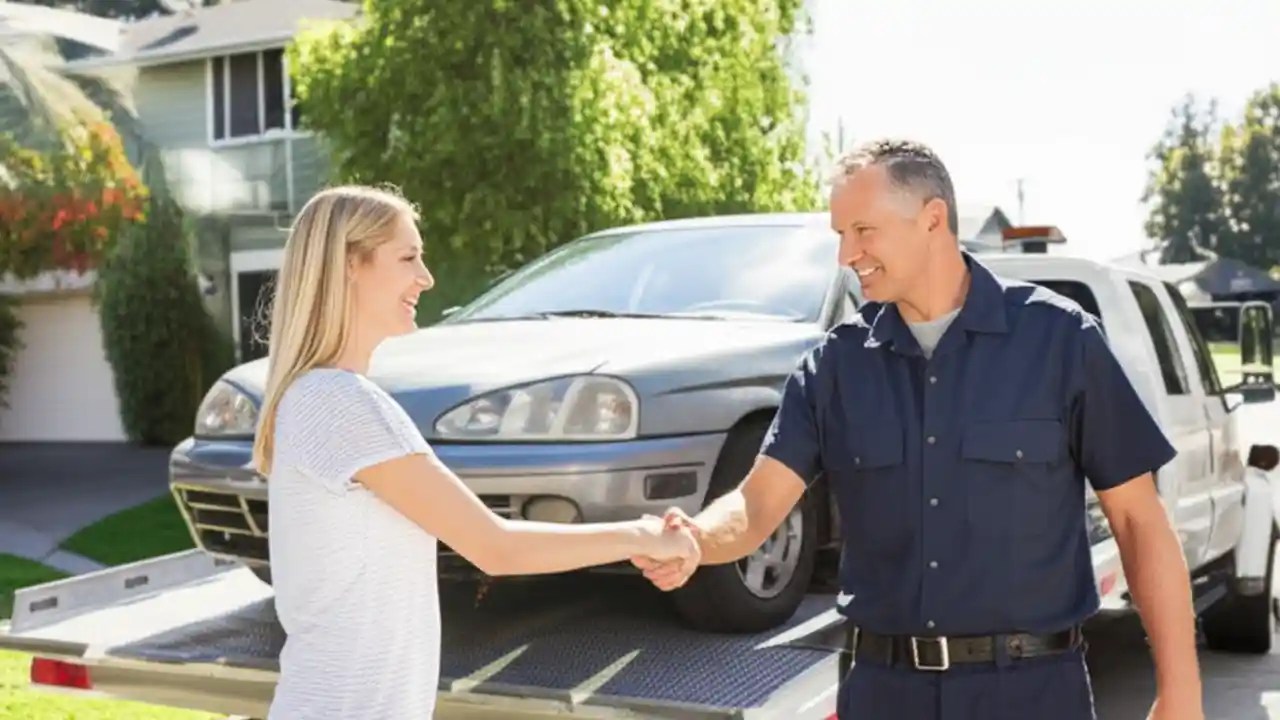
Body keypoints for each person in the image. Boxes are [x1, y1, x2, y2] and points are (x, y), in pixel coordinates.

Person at [632, 139, 1204, 720]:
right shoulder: (835, 366)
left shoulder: (1059, 341)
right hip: (884, 695)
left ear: (933, 219)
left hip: (1031, 695)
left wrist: (1181, 695)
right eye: (840, 235)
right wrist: (696, 538)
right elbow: (756, 507)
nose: (846, 255)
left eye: (863, 230)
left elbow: (1138, 521)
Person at [249, 184, 700, 720]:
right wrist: (643, 535)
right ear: (351, 263)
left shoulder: (324, 398)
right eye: (408, 257)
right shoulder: (337, 401)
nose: (426, 278)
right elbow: (497, 547)